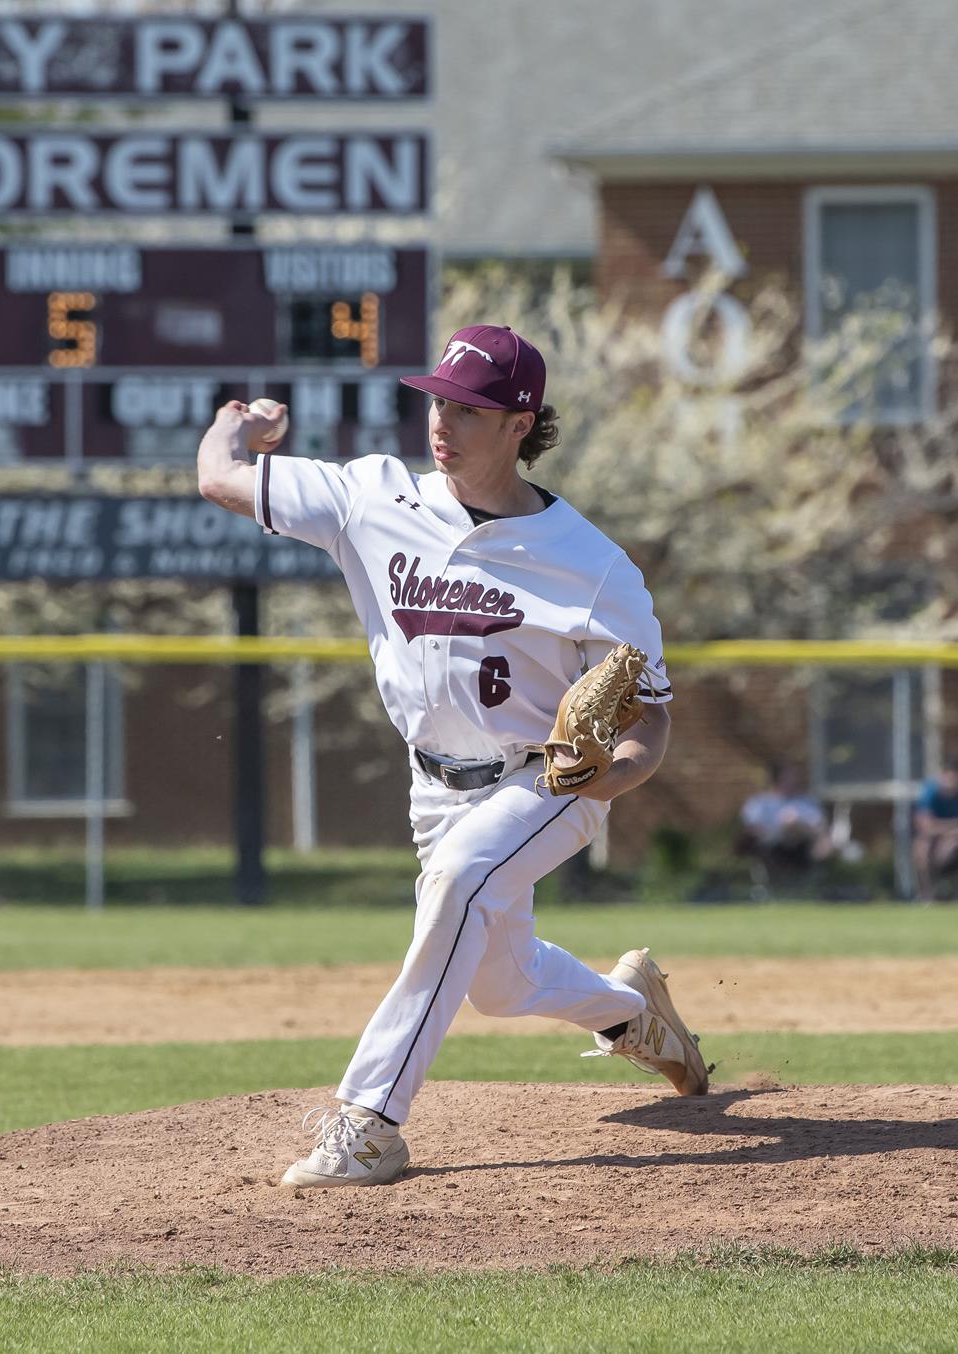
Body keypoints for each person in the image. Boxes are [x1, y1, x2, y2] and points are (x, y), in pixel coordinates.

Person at [198, 324, 707, 1190]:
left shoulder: (593, 567)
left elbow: (648, 725)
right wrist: (235, 426)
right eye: (438, 400)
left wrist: (608, 775)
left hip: (546, 780)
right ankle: (633, 1011)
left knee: (462, 879)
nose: (443, 421)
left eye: (469, 408)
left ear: (520, 422)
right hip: (433, 784)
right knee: (500, 986)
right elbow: (219, 478)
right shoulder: (372, 496)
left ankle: (369, 1125)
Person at [738, 762, 834, 880]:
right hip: (772, 846)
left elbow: (820, 825)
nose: (794, 780)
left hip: (804, 846)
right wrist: (782, 828)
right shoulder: (759, 803)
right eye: (789, 776)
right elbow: (753, 829)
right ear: (776, 778)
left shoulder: (806, 802)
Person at [915, 756, 958, 901]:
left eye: (953, 776)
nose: (949, 780)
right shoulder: (930, 791)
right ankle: (927, 896)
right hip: (935, 841)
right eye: (946, 775)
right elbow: (924, 825)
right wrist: (950, 832)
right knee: (920, 848)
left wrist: (951, 838)